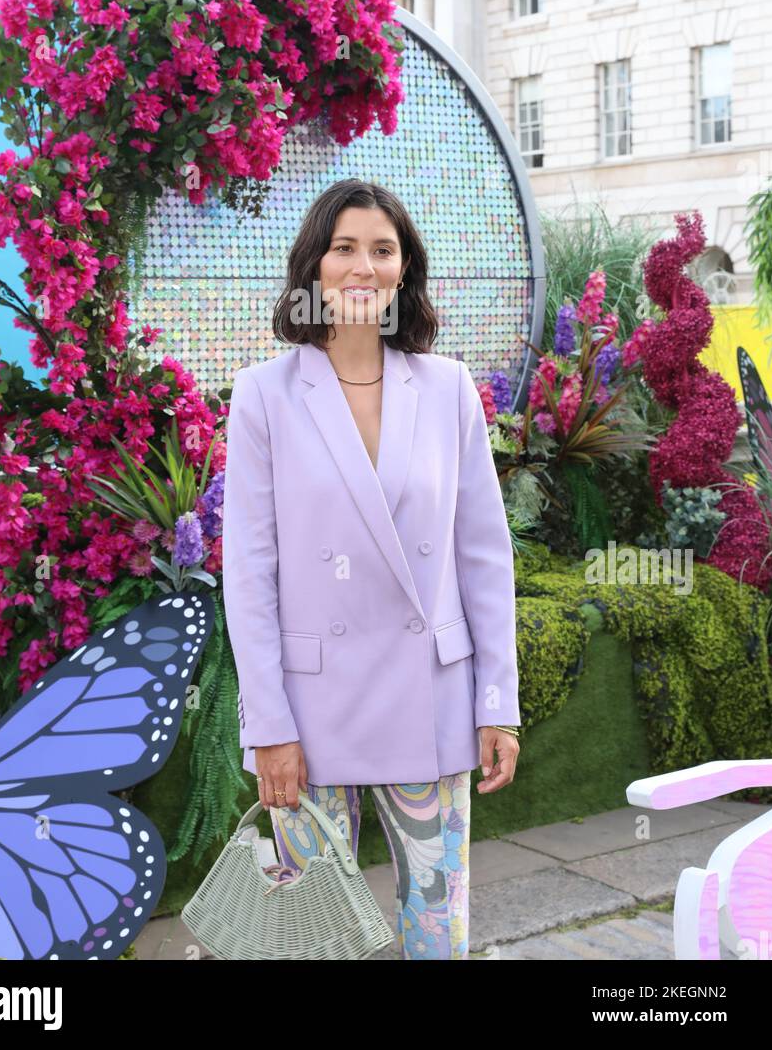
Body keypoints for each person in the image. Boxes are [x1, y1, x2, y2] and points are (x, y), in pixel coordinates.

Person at [222, 178, 520, 960]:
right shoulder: (264, 396)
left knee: (437, 925)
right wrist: (268, 727)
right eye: (344, 248)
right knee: (310, 939)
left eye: (382, 250)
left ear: (404, 269)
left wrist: (498, 702)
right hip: (309, 715)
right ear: (314, 268)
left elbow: (484, 554)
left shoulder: (449, 388)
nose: (364, 266)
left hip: (433, 698)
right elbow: (249, 574)